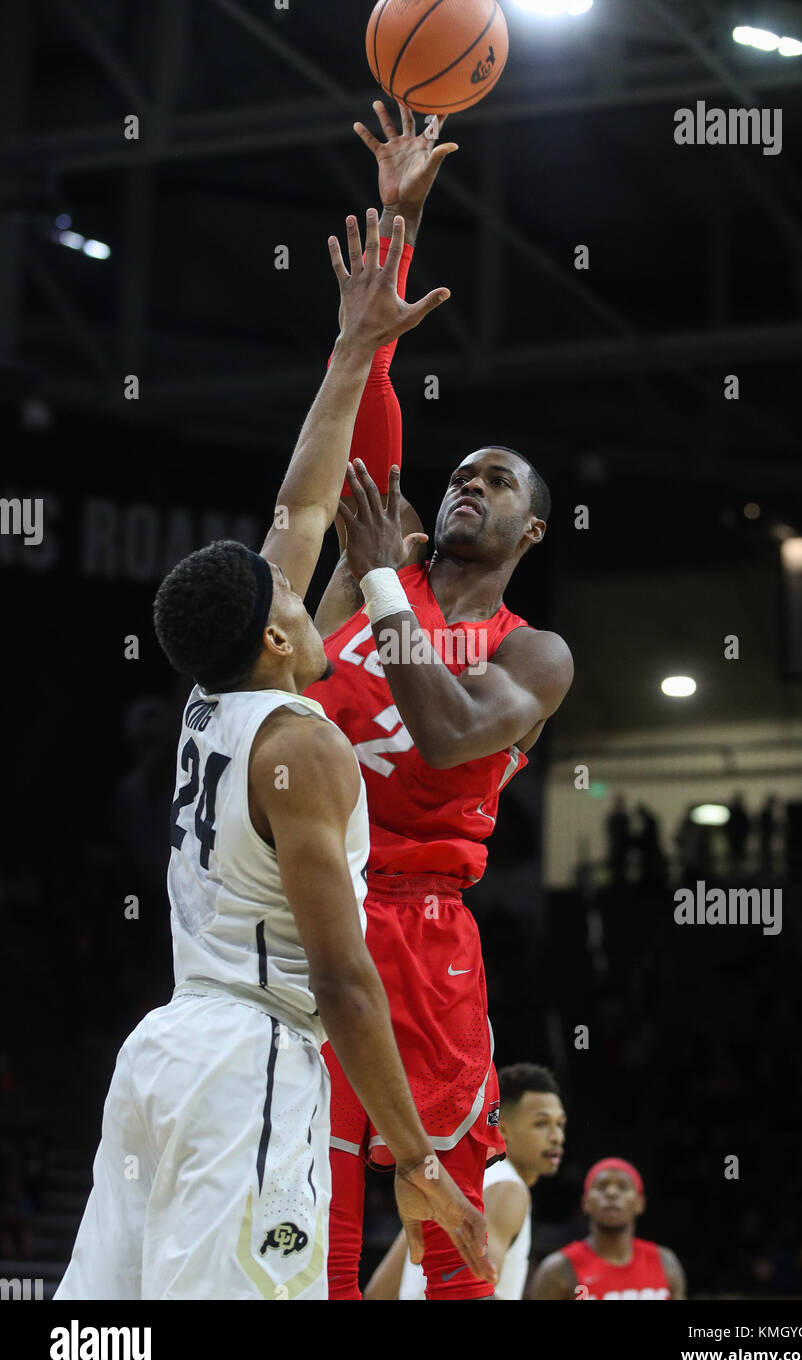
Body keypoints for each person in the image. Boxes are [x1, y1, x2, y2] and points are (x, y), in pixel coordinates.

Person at [55, 212, 493, 1300]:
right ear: (272, 633)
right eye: (286, 597)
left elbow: (301, 499)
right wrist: (423, 1162)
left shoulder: (212, 700)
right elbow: (345, 984)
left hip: (158, 1055)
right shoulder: (302, 744)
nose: (297, 591)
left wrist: (356, 344)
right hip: (248, 1066)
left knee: (97, 1328)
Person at [305, 101, 574, 1301]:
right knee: (310, 1196)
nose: (468, 484)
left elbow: (459, 736)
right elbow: (368, 387)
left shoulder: (534, 652)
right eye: (460, 473)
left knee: (439, 1208)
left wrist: (376, 577)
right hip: (312, 895)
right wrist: (401, 221)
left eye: (496, 480)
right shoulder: (379, 563)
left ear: (532, 526)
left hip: (421, 924)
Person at [365, 1062, 566, 1300]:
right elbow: (471, 1293)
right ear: (501, 1130)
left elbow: (377, 1292)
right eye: (541, 1124)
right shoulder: (506, 1189)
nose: (556, 1137)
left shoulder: (444, 1182)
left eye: (560, 1124)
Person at [527, 1157, 686, 1300]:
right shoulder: (558, 1270)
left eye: (623, 1187)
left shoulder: (665, 1263)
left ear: (640, 1203)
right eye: (601, 1187)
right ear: (586, 1202)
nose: (611, 1193)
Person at [606, 795, 630, 885]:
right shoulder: (621, 818)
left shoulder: (621, 817)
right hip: (618, 850)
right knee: (617, 872)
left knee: (620, 872)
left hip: (620, 850)